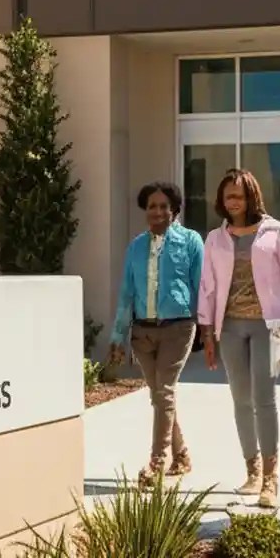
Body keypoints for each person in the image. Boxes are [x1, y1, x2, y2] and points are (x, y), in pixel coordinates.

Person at [198, 168, 280, 508]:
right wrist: (207, 335)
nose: (234, 201)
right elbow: (207, 288)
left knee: (264, 397)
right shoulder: (215, 238)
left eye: (240, 195)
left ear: (252, 197)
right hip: (229, 326)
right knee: (240, 399)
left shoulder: (277, 232)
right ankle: (252, 469)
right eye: (228, 195)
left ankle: (271, 478)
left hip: (267, 326)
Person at [108, 181, 205, 489]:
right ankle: (182, 455)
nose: (158, 211)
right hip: (142, 332)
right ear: (145, 210)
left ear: (174, 209)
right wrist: (117, 336)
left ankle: (157, 462)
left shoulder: (190, 242)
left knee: (163, 393)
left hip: (178, 328)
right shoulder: (136, 247)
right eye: (152, 206)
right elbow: (126, 294)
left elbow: (201, 286)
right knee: (161, 396)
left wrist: (208, 331)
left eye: (164, 206)